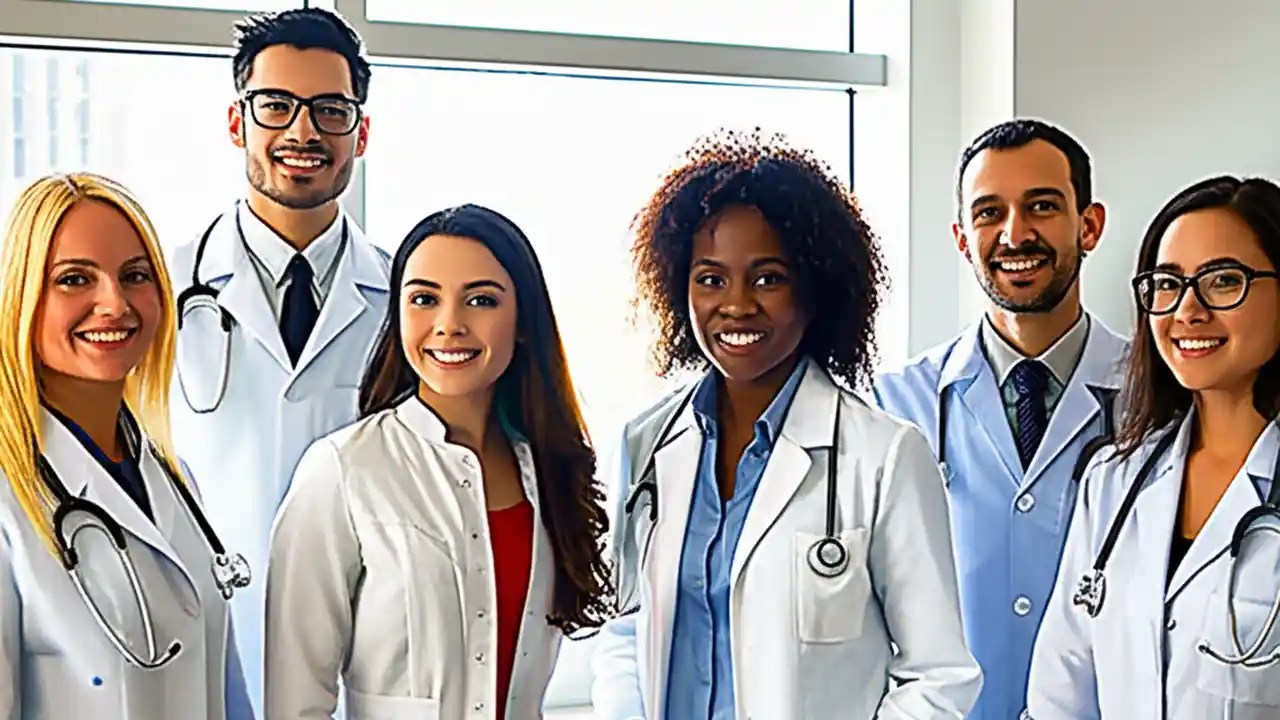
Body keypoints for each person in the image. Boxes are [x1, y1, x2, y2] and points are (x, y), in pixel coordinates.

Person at [592, 129, 981, 719]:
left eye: (768, 277)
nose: (737, 304)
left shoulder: (884, 455)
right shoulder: (646, 443)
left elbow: (938, 675)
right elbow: (626, 629)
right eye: (711, 278)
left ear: (816, 287)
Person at [263, 204, 613, 718]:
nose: (449, 325)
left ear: (522, 323)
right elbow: (294, 702)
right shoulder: (343, 470)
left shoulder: (551, 472)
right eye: (424, 299)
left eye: (481, 300)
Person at [166, 8, 389, 715]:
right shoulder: (160, 295)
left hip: (366, 660)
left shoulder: (406, 305)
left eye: (330, 109)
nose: (303, 132)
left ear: (362, 132)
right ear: (237, 122)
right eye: (275, 106)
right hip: (200, 650)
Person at [872, 118, 1129, 719]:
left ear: (1088, 226)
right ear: (963, 238)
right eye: (989, 213)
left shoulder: (1159, 399)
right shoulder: (894, 405)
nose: (1016, 234)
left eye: (1041, 206)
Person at [1026, 175, 1280, 719]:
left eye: (1223, 280)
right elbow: (1059, 695)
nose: (1186, 310)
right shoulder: (1115, 478)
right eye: (1166, 283)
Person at [0, 173, 252, 719]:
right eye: (74, 279)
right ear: (22, 295)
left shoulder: (173, 480)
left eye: (135, 276)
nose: (114, 303)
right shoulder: (8, 500)